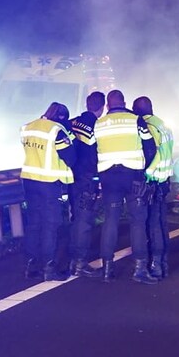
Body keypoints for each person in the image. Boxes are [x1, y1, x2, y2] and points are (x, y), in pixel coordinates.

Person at [94, 90, 157, 284]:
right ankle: (139, 269)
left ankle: (107, 269)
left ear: (107, 104)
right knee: (137, 220)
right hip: (132, 176)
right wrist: (142, 167)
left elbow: (90, 149)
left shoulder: (99, 123)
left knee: (110, 221)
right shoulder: (135, 120)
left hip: (108, 178)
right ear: (124, 102)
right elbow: (150, 146)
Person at [20, 102, 77, 281]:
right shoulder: (56, 131)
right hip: (48, 183)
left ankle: (31, 265)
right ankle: (49, 267)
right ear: (61, 116)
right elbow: (70, 157)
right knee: (51, 224)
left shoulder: (27, 127)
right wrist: (71, 137)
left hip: (29, 180)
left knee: (34, 223)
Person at [133, 96, 174, 281]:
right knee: (161, 224)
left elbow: (155, 152)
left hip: (154, 180)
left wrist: (147, 173)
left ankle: (155, 266)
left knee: (153, 225)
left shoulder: (147, 126)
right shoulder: (163, 124)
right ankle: (163, 263)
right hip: (164, 180)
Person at [67, 91, 105, 278]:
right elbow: (96, 157)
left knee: (75, 219)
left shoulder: (72, 123)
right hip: (87, 180)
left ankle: (73, 260)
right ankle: (80, 264)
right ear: (102, 107)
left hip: (70, 179)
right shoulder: (98, 127)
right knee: (84, 221)